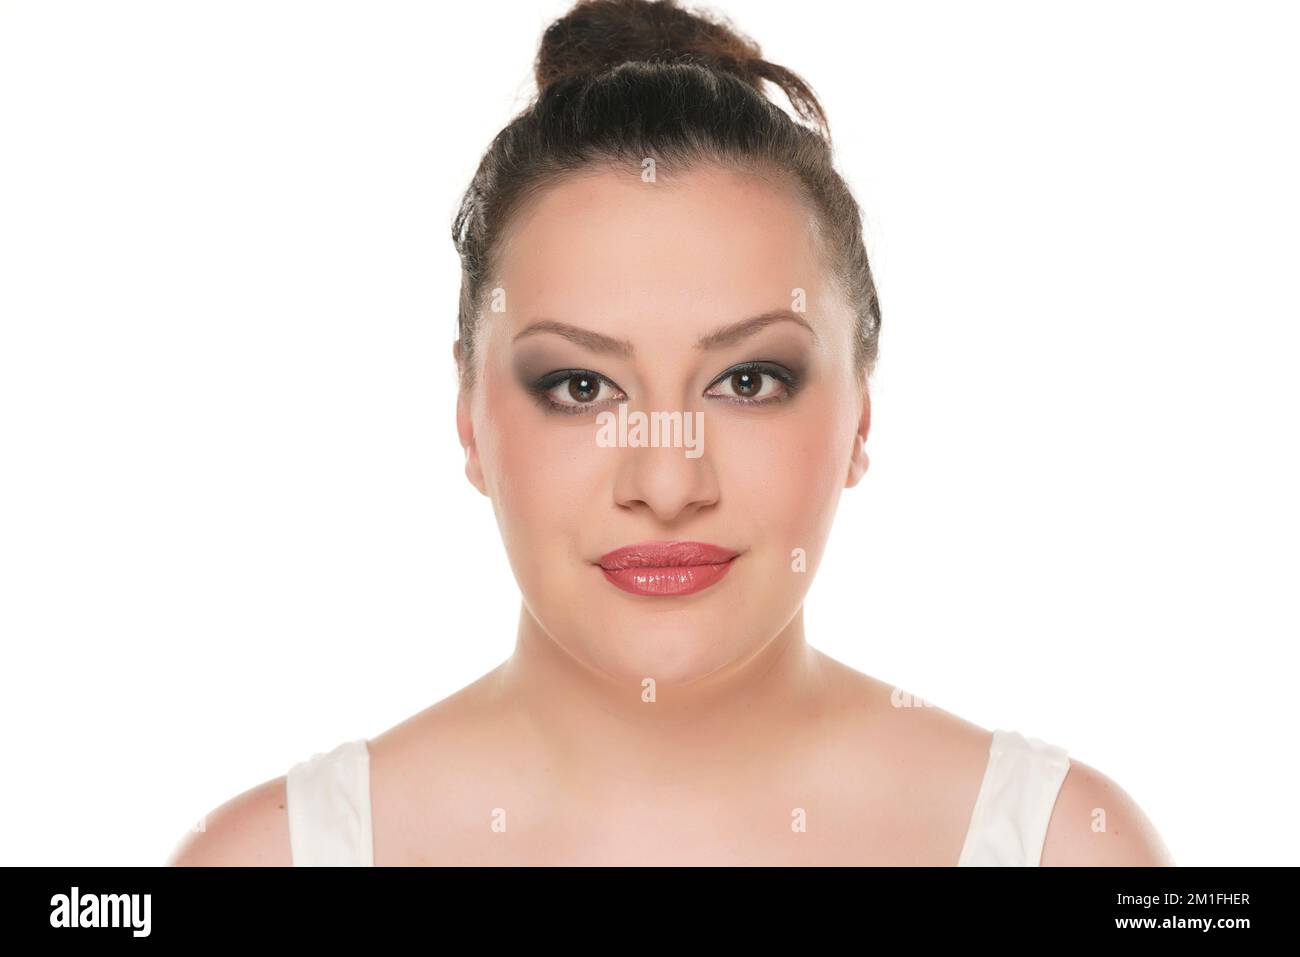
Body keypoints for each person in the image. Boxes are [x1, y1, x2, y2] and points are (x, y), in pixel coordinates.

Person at [169, 0, 1173, 866]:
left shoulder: (1063, 849)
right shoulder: (271, 858)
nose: (665, 478)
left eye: (747, 379)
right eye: (578, 385)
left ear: (860, 409)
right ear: (469, 419)